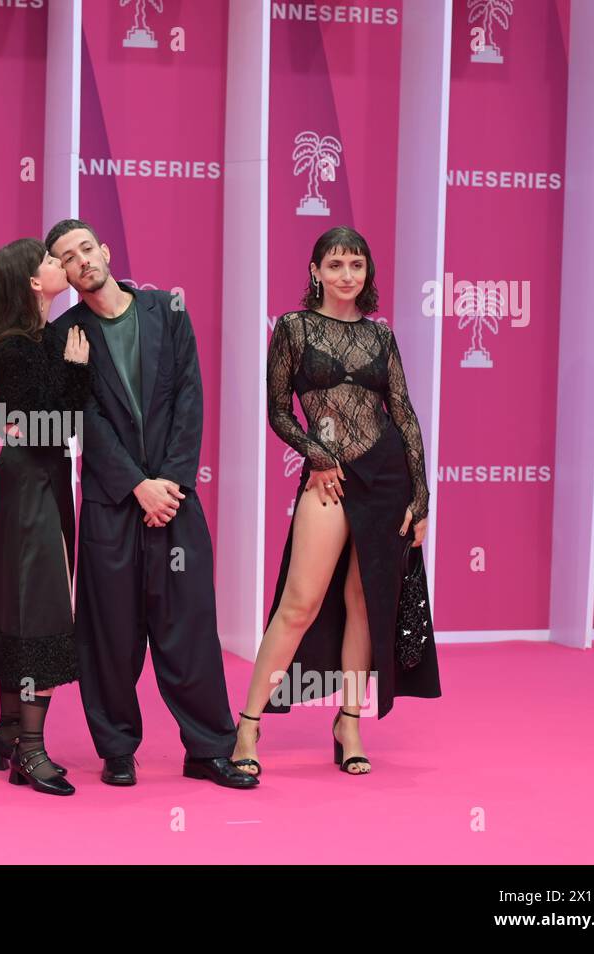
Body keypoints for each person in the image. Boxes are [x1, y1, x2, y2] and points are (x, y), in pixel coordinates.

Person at [45, 218, 257, 790]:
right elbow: (83, 420)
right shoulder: (66, 333)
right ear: (61, 273)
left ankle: (210, 748)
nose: (81, 260)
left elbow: (191, 396)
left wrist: (169, 483)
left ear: (105, 250)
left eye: (86, 248)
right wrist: (137, 485)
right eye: (67, 257)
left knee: (188, 626)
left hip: (175, 501)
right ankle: (117, 749)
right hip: (112, 505)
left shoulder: (167, 311)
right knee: (110, 632)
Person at [233, 226, 441, 778]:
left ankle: (349, 721)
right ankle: (248, 725)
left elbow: (406, 415)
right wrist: (317, 455)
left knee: (365, 602)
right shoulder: (294, 329)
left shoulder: (381, 337)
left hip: (387, 476)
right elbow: (279, 409)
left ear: (367, 273)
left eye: (356, 265)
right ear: (316, 271)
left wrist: (420, 497)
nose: (347, 275)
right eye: (336, 265)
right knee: (299, 603)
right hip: (329, 478)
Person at [0, 239, 91, 797]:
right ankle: (30, 751)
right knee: (36, 609)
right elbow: (52, 423)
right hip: (30, 482)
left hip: (35, 479)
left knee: (20, 601)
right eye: (48, 260)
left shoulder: (31, 339)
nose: (58, 264)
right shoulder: (19, 347)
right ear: (32, 283)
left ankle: (11, 732)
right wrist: (79, 372)